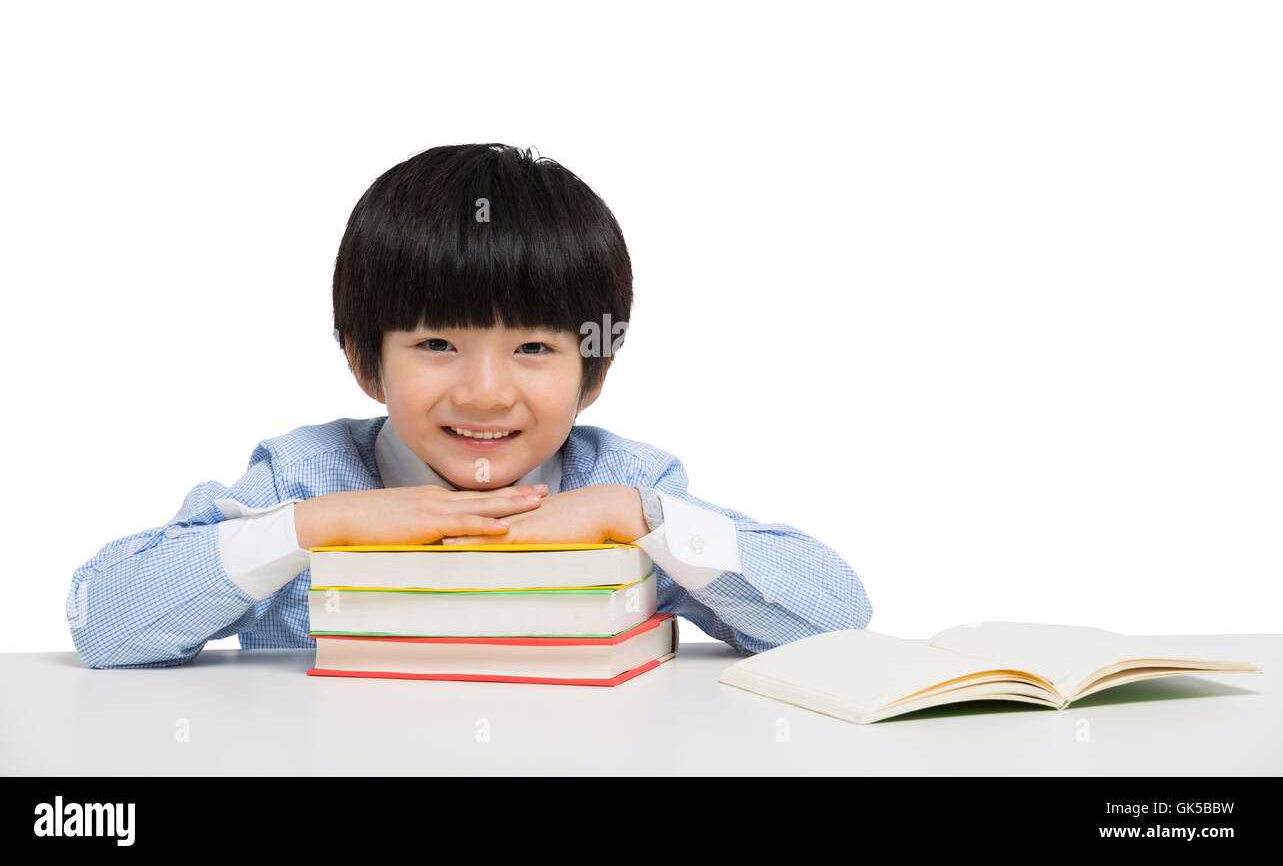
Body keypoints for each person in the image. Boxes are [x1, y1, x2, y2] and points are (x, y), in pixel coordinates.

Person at [67, 143, 873, 668]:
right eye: (436, 345)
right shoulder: (303, 481)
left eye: (533, 348)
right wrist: (317, 528)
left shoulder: (622, 489)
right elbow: (104, 623)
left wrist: (642, 517)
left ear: (593, 370)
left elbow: (837, 622)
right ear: (362, 358)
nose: (485, 391)